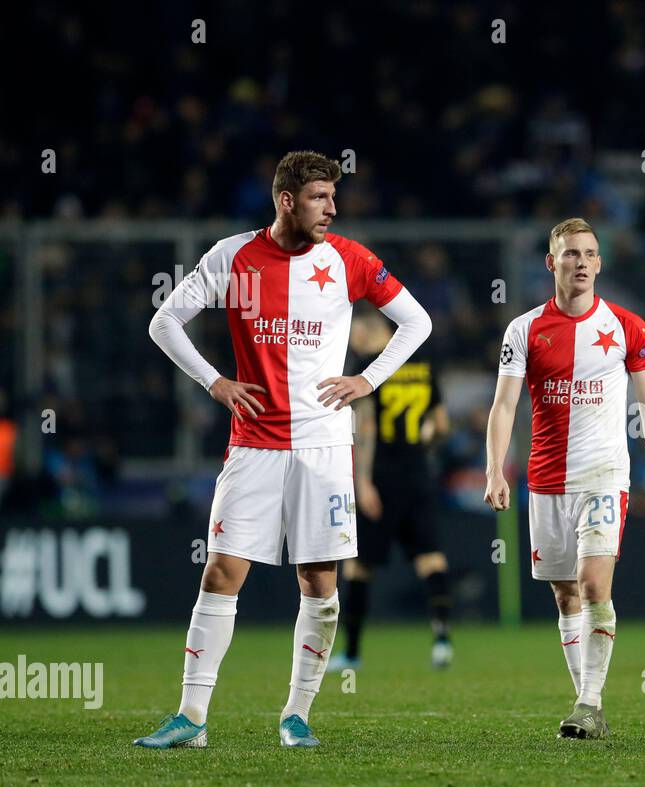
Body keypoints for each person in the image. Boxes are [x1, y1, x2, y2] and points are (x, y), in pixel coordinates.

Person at [135, 150, 432, 749]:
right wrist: (214, 382)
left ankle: (296, 715)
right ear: (286, 200)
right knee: (221, 571)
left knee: (320, 582)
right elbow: (164, 322)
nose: (333, 209)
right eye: (321, 197)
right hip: (254, 445)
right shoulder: (233, 257)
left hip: (324, 446)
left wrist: (366, 381)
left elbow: (417, 322)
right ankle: (191, 716)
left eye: (334, 197)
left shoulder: (351, 260)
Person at [483, 217, 645, 739]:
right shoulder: (523, 330)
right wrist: (496, 468)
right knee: (565, 595)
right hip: (545, 479)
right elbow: (504, 406)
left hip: (604, 475)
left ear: (600, 263)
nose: (582, 263)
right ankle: (588, 703)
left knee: (594, 584)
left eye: (590, 254)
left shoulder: (627, 327)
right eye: (571, 254)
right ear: (551, 263)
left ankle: (588, 704)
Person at [330, 313, 454, 673]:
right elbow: (441, 426)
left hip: (381, 476)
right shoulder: (422, 365)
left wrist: (362, 481)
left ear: (372, 330)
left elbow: (365, 427)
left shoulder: (370, 368)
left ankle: (352, 653)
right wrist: (421, 441)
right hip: (419, 473)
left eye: (355, 333)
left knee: (359, 566)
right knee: (431, 558)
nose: (352, 341)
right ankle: (442, 641)